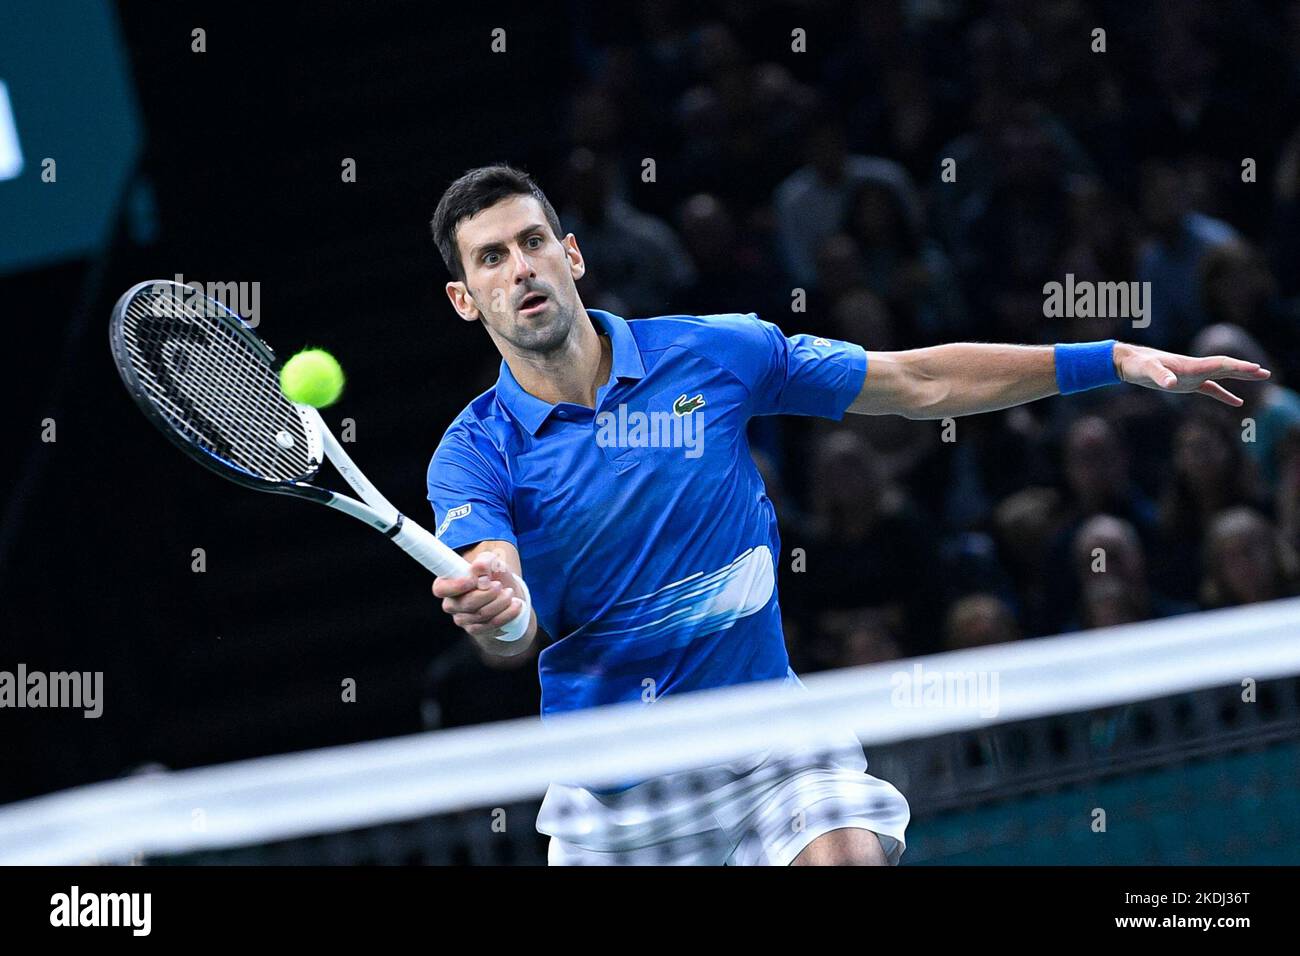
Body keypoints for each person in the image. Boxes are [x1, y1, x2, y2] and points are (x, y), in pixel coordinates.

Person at [423, 164, 1269, 867]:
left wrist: (1111, 357)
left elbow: (917, 383)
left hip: (771, 750)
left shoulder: (714, 353)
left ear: (570, 254)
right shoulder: (472, 454)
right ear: (466, 299)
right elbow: (509, 627)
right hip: (617, 799)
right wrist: (498, 612)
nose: (521, 268)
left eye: (533, 242)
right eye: (491, 257)